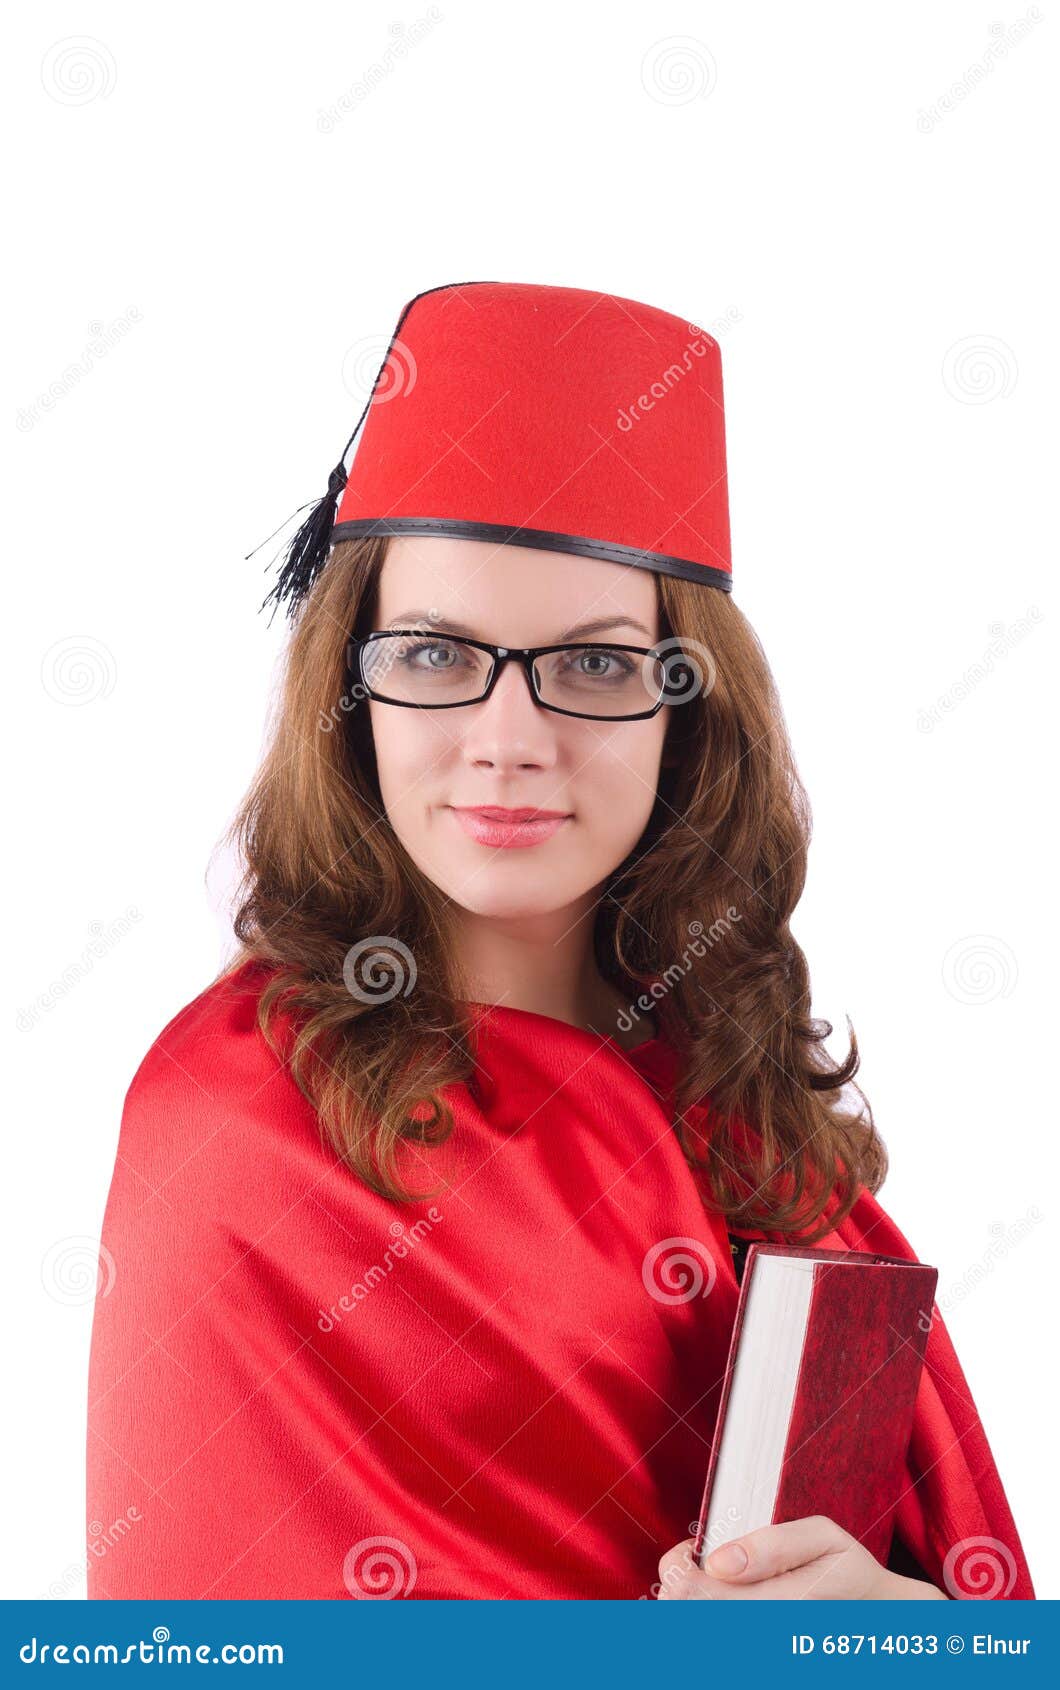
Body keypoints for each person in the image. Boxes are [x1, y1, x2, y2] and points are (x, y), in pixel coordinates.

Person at [86, 282, 1034, 1601]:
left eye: (592, 665)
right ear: (352, 693)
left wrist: (907, 1638)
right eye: (432, 653)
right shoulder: (233, 1115)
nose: (510, 739)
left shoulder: (754, 1116)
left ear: (683, 708)